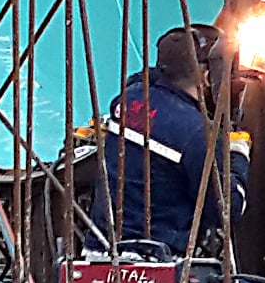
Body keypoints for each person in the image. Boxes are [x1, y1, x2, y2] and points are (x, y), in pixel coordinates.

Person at [90, 23, 249, 257]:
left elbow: (145, 77)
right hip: (157, 267)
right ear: (206, 78)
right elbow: (226, 210)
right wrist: (237, 155)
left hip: (100, 255)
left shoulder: (127, 99)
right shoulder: (195, 133)